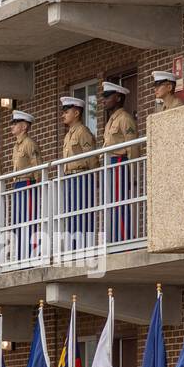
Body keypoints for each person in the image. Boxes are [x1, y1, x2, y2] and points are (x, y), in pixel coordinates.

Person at [101, 80, 139, 243]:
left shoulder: (124, 118)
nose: (104, 100)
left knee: (119, 203)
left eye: (108, 96)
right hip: (109, 164)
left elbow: (132, 146)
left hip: (119, 162)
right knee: (111, 203)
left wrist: (134, 171)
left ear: (117, 97)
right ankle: (114, 237)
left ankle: (124, 239)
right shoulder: (111, 120)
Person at [60, 95, 97, 246]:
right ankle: (73, 246)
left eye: (66, 111)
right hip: (70, 177)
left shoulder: (82, 131)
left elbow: (92, 158)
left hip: (82, 176)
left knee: (82, 213)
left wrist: (95, 177)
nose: (63, 115)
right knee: (71, 214)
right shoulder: (68, 135)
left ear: (76, 113)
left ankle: (83, 245)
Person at [9, 109, 42, 258]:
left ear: (24, 126)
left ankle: (31, 253)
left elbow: (37, 167)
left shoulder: (29, 143)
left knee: (28, 219)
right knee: (18, 220)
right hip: (18, 184)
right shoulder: (16, 146)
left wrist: (38, 185)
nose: (12, 126)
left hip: (28, 183)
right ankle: (21, 253)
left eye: (15, 123)